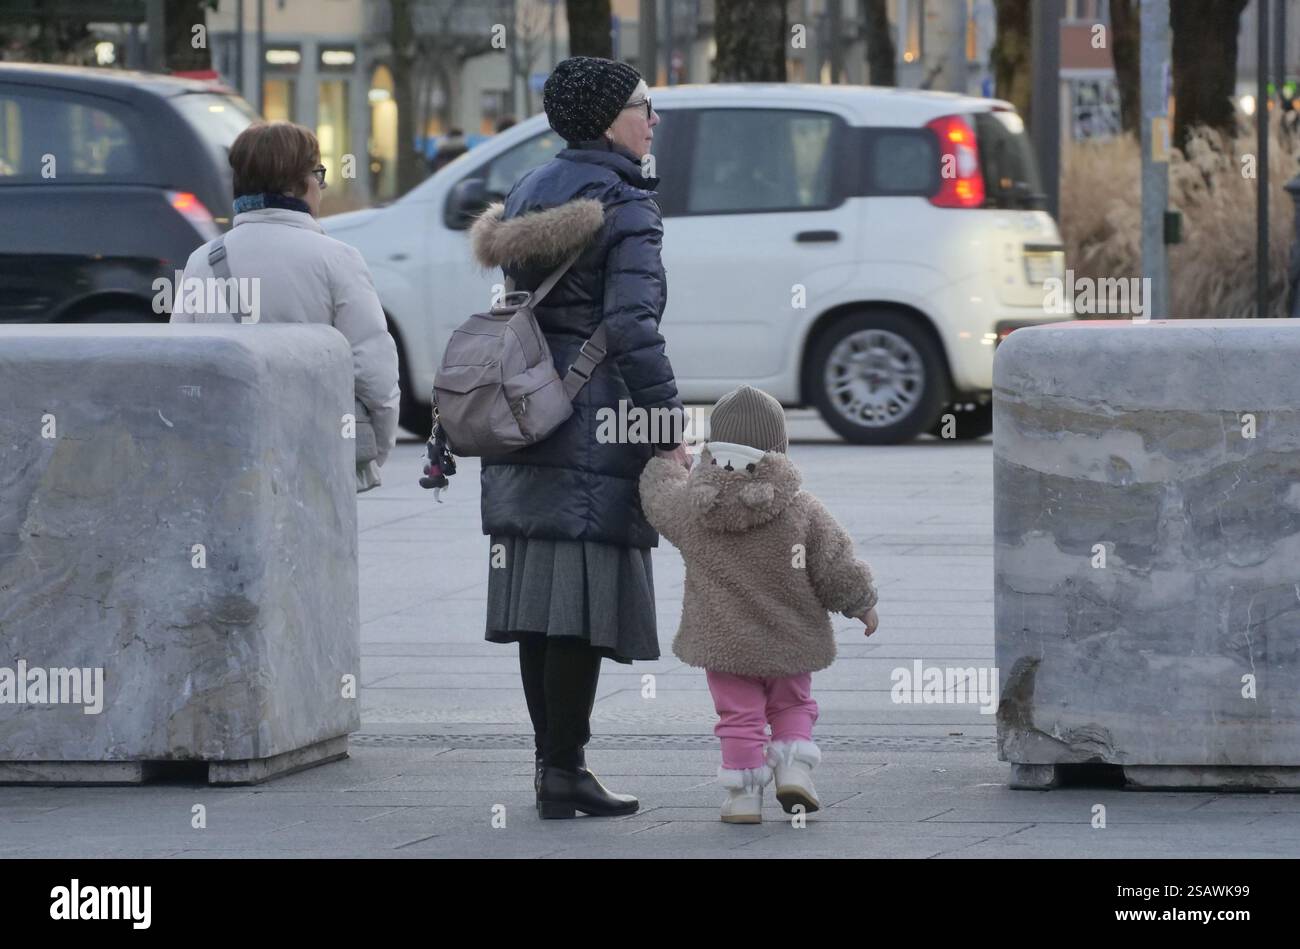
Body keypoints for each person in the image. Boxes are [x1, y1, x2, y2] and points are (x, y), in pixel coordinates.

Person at [469, 56, 686, 819]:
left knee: (539, 597)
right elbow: (632, 326)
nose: (652, 119)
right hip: (592, 417)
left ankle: (553, 768)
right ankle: (564, 769)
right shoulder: (626, 205)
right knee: (579, 601)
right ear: (606, 118)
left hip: (524, 408)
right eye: (642, 105)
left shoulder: (530, 188)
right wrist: (666, 423)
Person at [639, 385, 880, 824]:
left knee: (738, 715)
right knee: (793, 704)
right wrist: (860, 602)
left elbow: (659, 497)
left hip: (724, 642)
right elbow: (834, 563)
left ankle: (744, 797)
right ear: (778, 449)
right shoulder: (802, 510)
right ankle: (794, 771)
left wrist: (666, 461)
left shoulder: (693, 507)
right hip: (791, 638)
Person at [171, 121, 401, 479]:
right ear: (299, 184)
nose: (321, 186)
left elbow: (180, 364)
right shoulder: (337, 260)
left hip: (229, 454)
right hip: (316, 455)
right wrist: (376, 448)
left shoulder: (202, 261)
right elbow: (373, 370)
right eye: (318, 174)